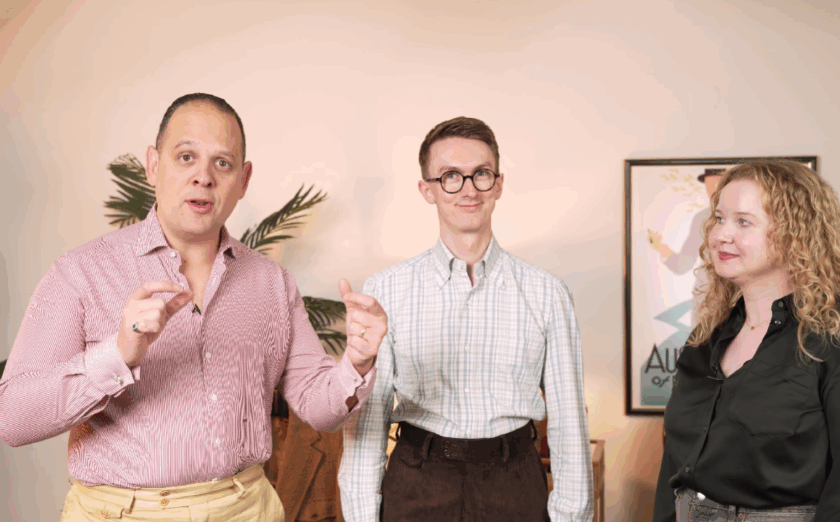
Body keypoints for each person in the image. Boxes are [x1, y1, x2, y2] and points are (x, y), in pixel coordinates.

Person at [0, 93, 388, 522]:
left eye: (222, 163)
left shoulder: (272, 283)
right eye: (186, 157)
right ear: (153, 164)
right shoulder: (80, 273)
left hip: (247, 509)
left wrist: (358, 359)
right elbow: (14, 419)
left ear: (243, 179)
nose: (203, 176)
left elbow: (320, 408)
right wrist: (118, 354)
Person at [338, 116, 593, 522]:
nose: (469, 189)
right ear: (427, 190)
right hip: (417, 481)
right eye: (451, 176)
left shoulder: (547, 292)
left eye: (481, 174)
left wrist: (571, 515)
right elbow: (369, 422)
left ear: (499, 183)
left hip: (515, 482)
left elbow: (568, 421)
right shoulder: (387, 290)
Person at [653, 159, 840, 521]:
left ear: (794, 233)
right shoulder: (705, 338)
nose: (721, 234)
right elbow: (674, 464)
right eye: (719, 218)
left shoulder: (828, 340)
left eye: (743, 221)